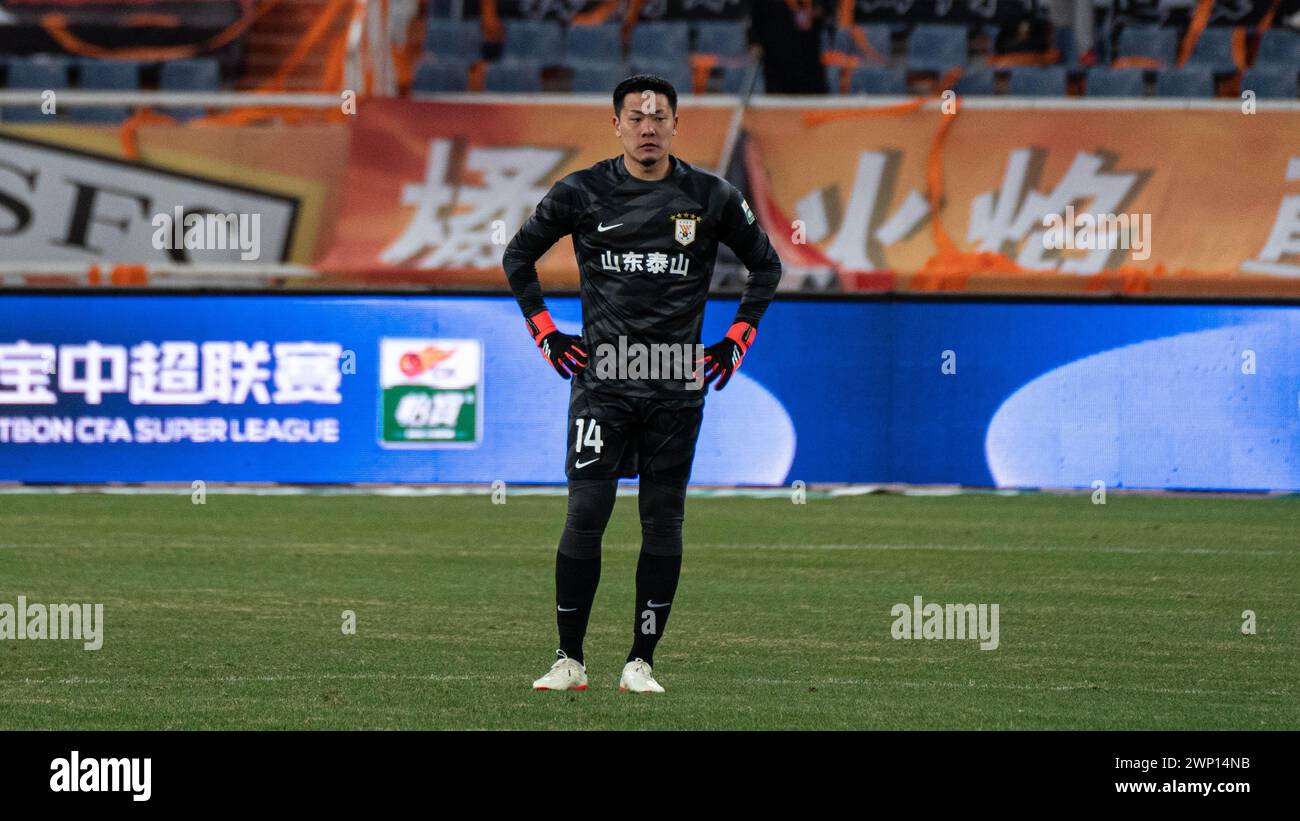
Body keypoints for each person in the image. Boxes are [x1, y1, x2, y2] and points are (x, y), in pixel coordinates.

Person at [502, 74, 782, 693]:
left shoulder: (710, 195)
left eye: (659, 116)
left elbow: (766, 265)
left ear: (676, 124)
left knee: (663, 520)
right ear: (617, 124)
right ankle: (568, 659)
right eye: (636, 117)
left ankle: (640, 663)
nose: (648, 127)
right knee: (586, 515)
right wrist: (545, 330)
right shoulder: (581, 193)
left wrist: (738, 337)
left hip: (676, 386)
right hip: (604, 382)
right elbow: (517, 257)